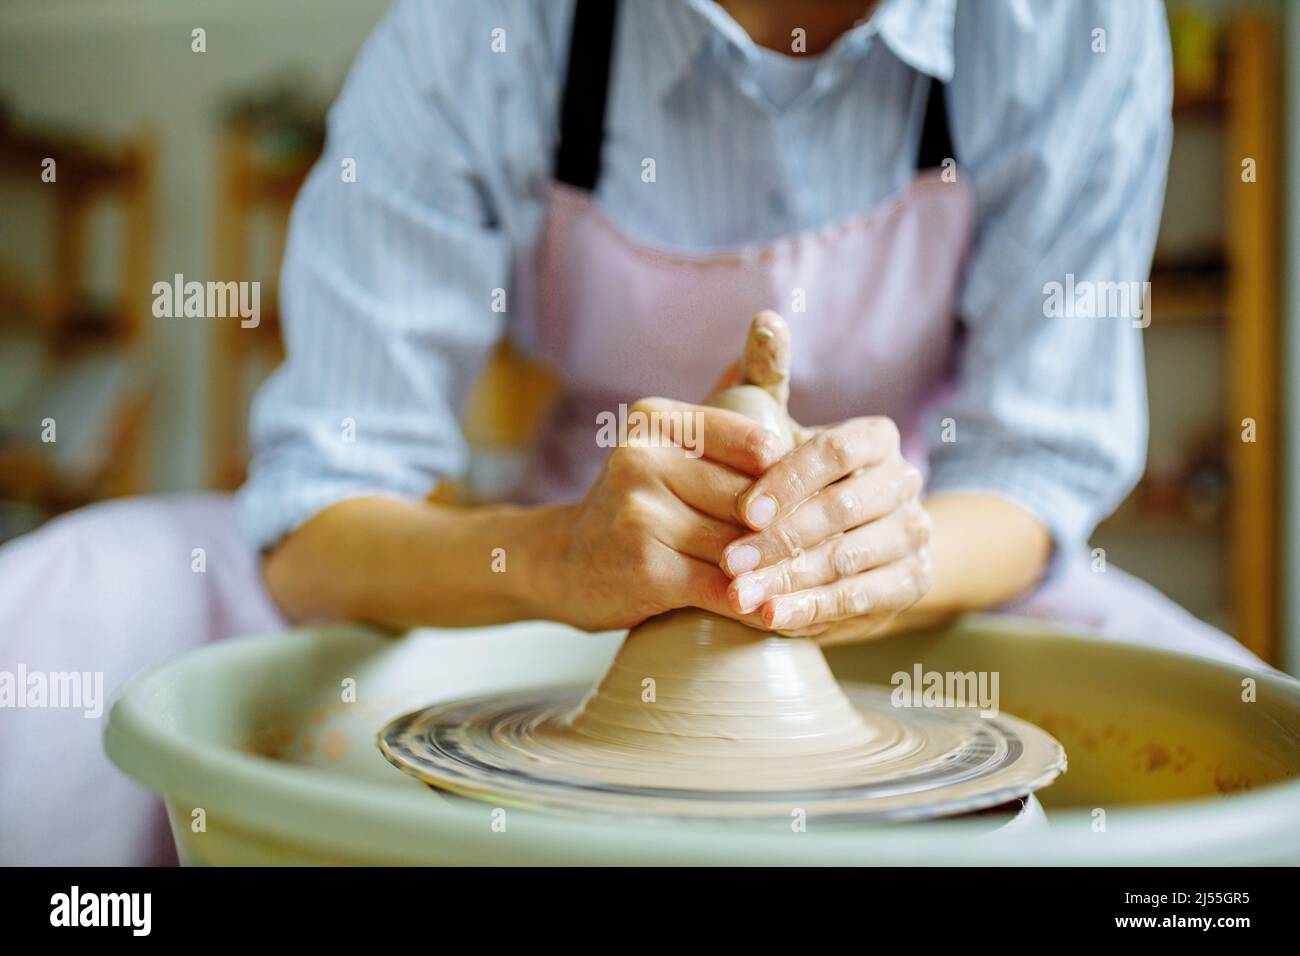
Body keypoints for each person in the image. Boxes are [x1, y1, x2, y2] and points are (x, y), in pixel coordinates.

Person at [0, 0, 1262, 866]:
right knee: (63, 606)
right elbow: (321, 503)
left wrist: (870, 562)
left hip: (919, 553)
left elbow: (1034, 473)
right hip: (567, 545)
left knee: (1246, 746)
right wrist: (556, 560)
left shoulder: (1065, 28)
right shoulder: (480, 33)